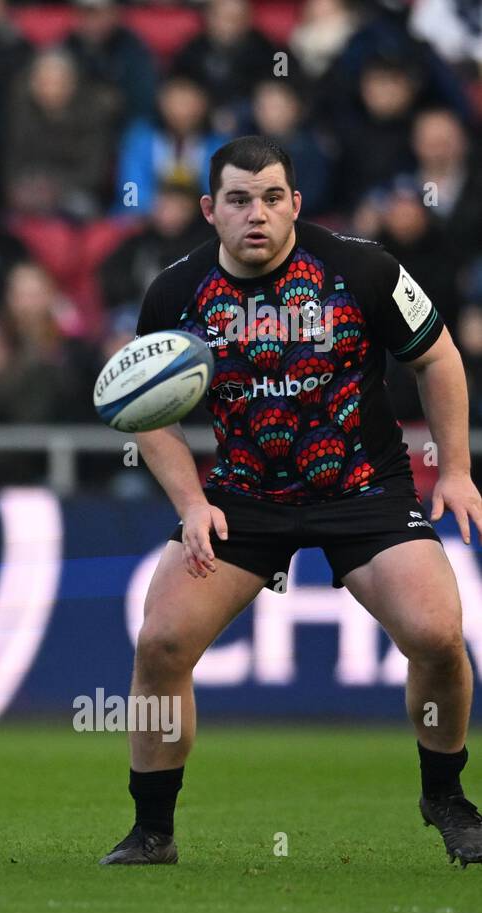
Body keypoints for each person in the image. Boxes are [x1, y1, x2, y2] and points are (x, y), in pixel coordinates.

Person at [103, 136, 482, 867]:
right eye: (240, 200)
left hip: (363, 487)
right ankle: (152, 829)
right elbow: (142, 410)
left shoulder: (361, 268)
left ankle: (447, 797)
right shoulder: (175, 292)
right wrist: (190, 501)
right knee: (161, 642)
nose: (258, 215)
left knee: (437, 634)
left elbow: (437, 356)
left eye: (273, 198)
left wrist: (457, 471)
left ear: (296, 204)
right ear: (210, 210)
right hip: (242, 495)